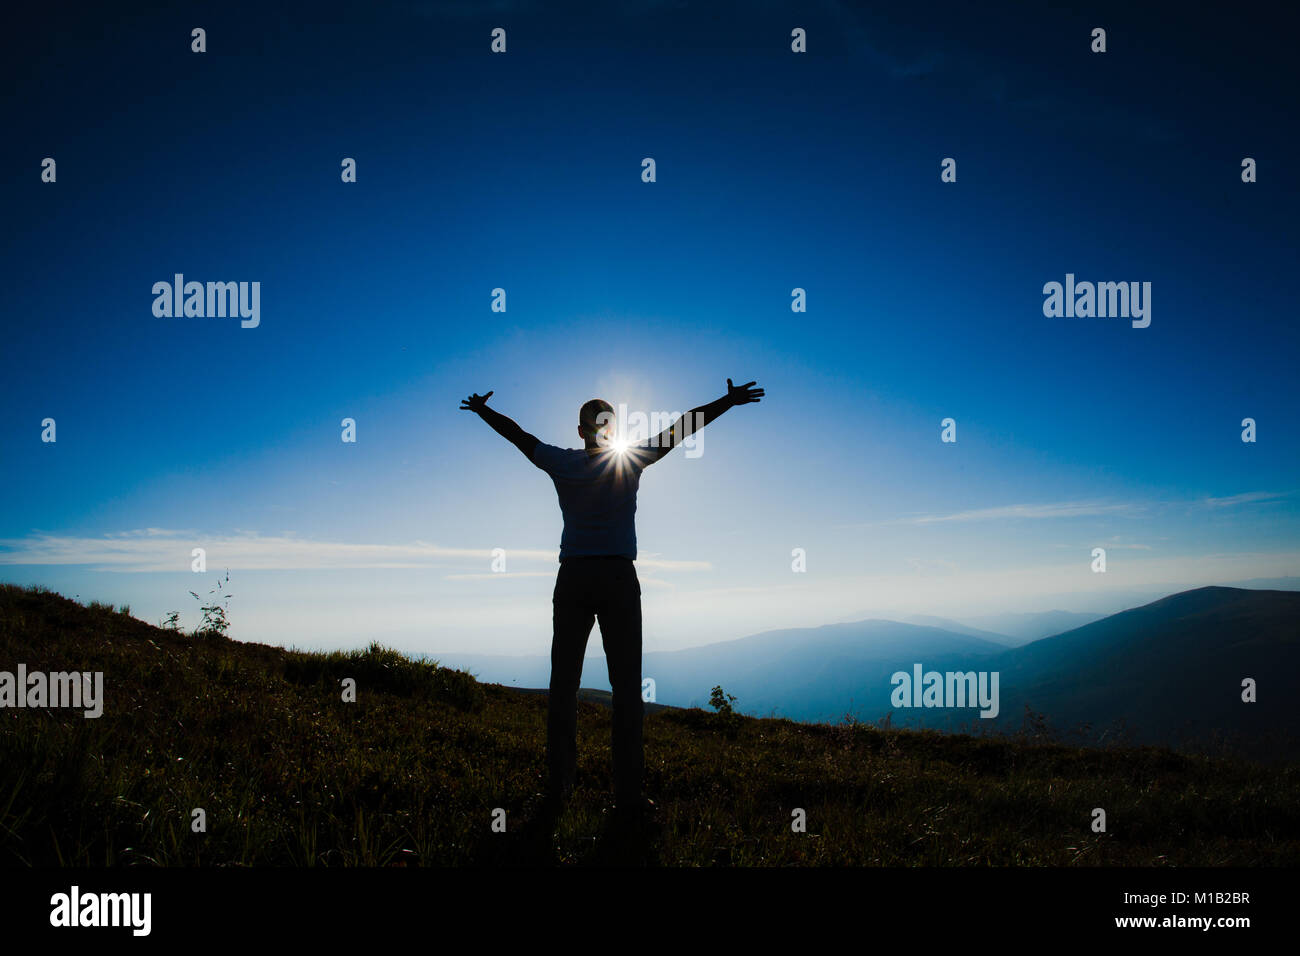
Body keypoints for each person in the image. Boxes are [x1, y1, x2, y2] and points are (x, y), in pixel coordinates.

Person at [459, 378, 764, 828]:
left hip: (574, 579)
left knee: (563, 687)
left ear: (582, 431)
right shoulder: (632, 460)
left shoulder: (563, 463)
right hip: (619, 578)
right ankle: (629, 799)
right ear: (611, 430)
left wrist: (484, 412)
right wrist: (730, 401)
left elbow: (520, 437)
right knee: (626, 689)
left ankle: (558, 789)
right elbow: (683, 428)